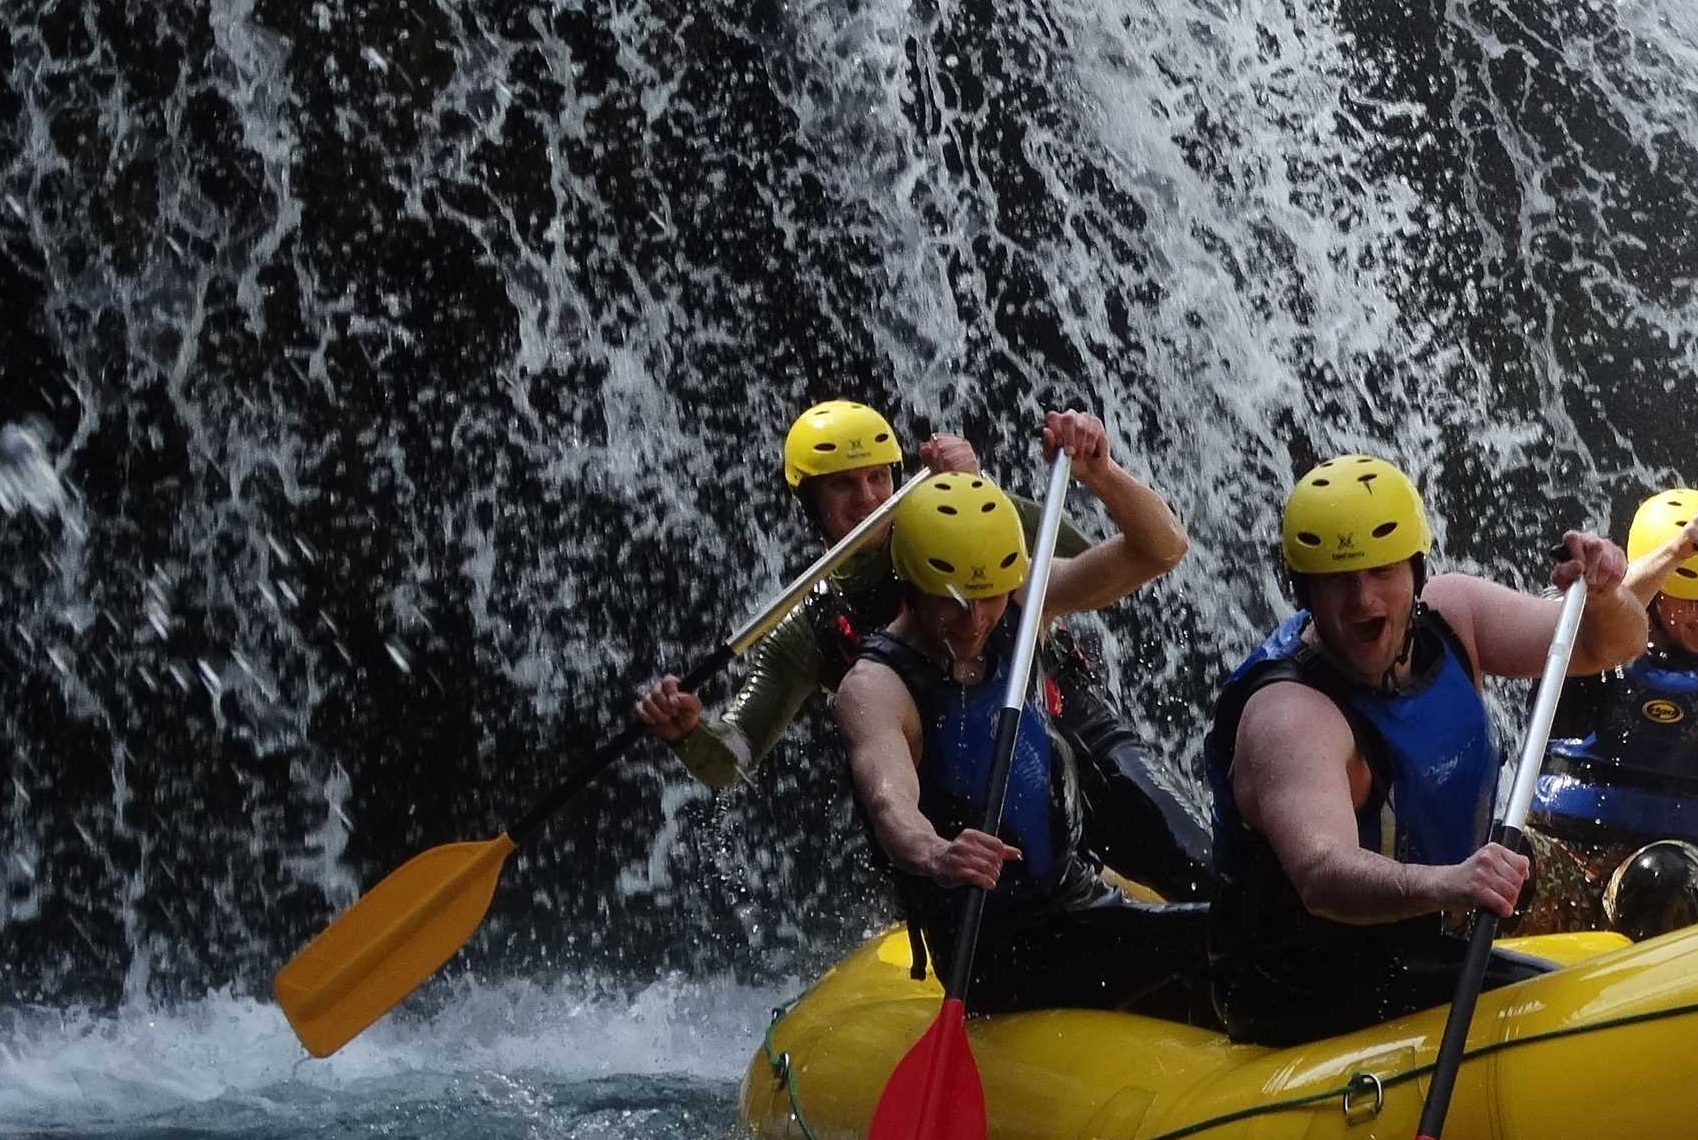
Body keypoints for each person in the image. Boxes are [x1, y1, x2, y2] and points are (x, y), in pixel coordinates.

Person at [635, 397, 1212, 897]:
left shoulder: (971, 519)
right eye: (842, 484)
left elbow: (1098, 563)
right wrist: (689, 731)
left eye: (878, 478)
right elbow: (732, 755)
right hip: (966, 801)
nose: (866, 498)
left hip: (1074, 738)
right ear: (808, 500)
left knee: (1212, 876)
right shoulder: (807, 622)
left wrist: (985, 491)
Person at [1205, 454, 1647, 1046]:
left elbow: (1609, 647)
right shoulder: (1290, 714)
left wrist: (1603, 596)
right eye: (1338, 580)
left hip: (1434, 921)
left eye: (1380, 571)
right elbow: (1322, 875)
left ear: (1415, 572)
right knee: (1562, 1019)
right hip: (1306, 977)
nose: (1363, 600)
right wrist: (1449, 884)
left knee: (1653, 892)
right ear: (1304, 591)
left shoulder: (1454, 613)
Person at [827, 414, 1215, 1019]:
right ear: (911, 583)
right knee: (1218, 941)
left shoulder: (1021, 600)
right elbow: (890, 806)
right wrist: (938, 854)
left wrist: (1101, 474)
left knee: (1236, 920)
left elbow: (1161, 549)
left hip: (1080, 904)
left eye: (990, 597)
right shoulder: (875, 686)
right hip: (997, 949)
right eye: (954, 604)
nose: (977, 620)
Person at [1520, 485, 1698, 938]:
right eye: (1693, 600)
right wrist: (1679, 550)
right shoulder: (1581, 624)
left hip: (1672, 869)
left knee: (1660, 878)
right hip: (1563, 848)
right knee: (1502, 866)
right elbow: (1600, 612)